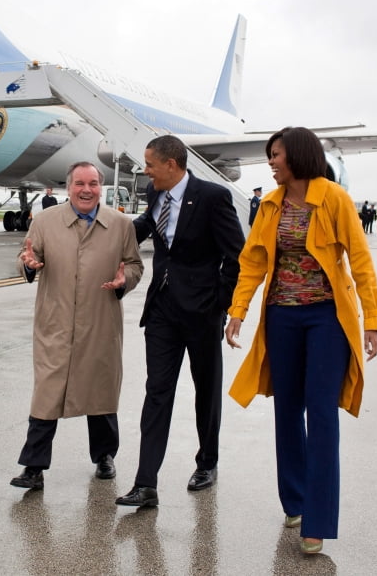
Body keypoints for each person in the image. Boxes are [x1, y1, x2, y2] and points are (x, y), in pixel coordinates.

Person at [223, 126, 377, 555]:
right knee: (287, 409)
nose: (271, 161)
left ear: (297, 156)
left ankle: (318, 520)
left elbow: (361, 260)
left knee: (322, 414)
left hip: (326, 318)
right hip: (281, 318)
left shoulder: (333, 198)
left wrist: (373, 320)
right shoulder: (270, 204)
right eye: (269, 155)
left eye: (276, 154)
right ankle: (294, 501)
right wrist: (238, 311)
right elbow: (253, 262)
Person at [115, 135, 245, 509]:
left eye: (150, 164)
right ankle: (145, 484)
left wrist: (219, 303)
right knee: (157, 391)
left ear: (171, 165)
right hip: (162, 311)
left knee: (206, 390)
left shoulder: (212, 197)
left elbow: (235, 256)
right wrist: (95, 227)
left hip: (202, 313)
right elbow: (140, 228)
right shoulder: (157, 195)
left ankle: (208, 462)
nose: (145, 170)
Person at [9, 162, 143, 490]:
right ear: (69, 187)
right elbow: (25, 256)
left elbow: (136, 264)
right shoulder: (44, 221)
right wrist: (27, 264)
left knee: (100, 391)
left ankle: (104, 456)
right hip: (55, 322)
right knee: (47, 393)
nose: (87, 189)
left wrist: (127, 279)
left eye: (94, 183)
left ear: (101, 187)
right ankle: (33, 467)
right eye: (80, 183)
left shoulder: (120, 224)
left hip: (100, 321)